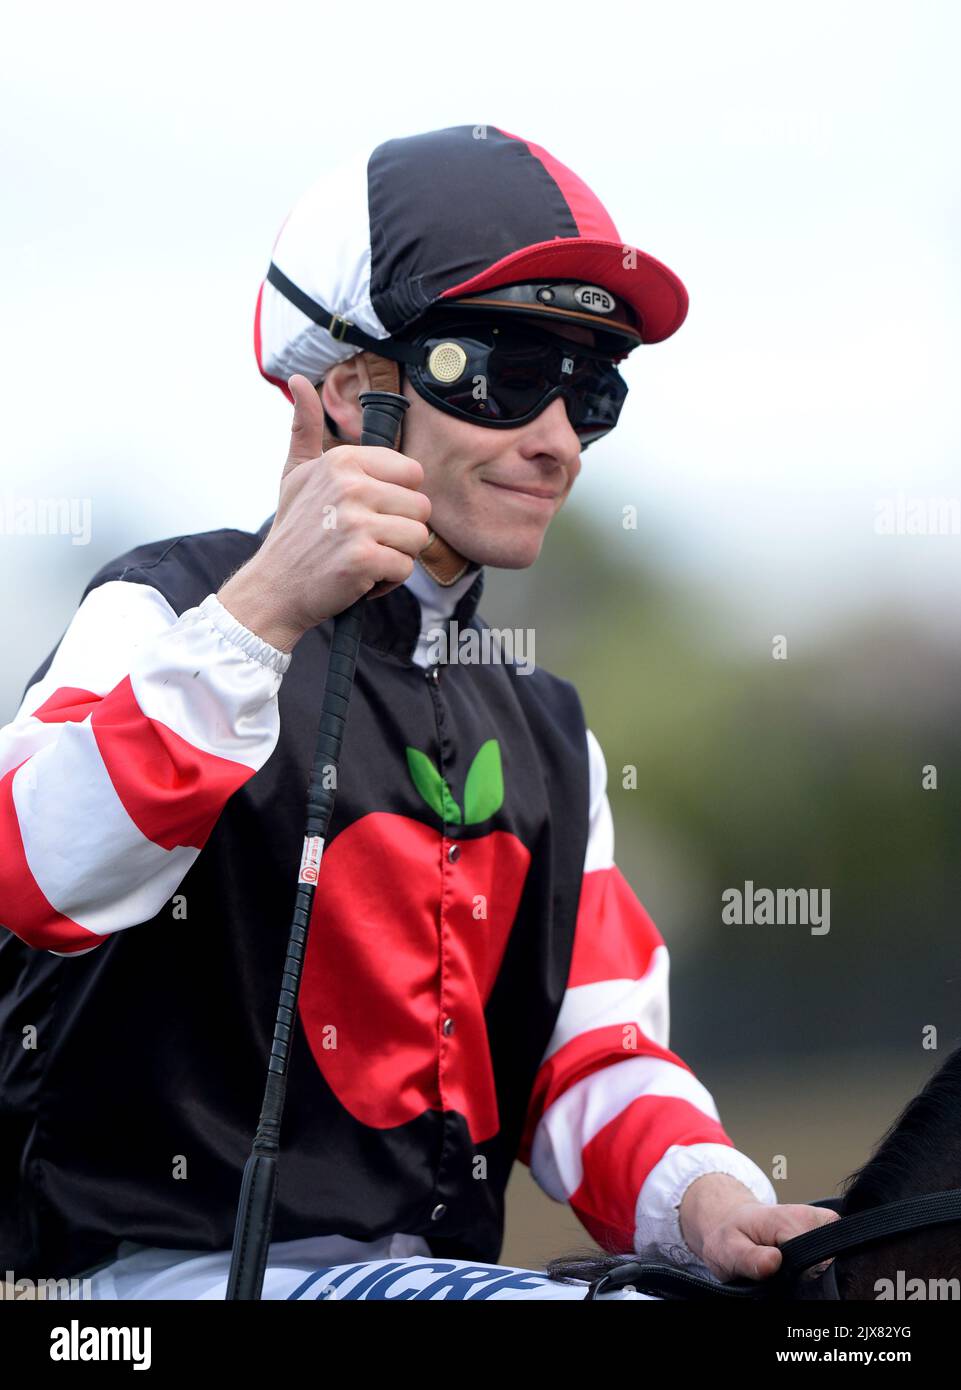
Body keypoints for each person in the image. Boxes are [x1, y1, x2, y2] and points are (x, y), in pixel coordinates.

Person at [0, 124, 837, 1299]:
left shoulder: (548, 727)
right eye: (503, 374)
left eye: (589, 389)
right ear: (352, 395)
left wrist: (712, 1201)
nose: (554, 440)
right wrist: (263, 618)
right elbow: (27, 873)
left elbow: (592, 1062)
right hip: (141, 1290)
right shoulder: (169, 607)